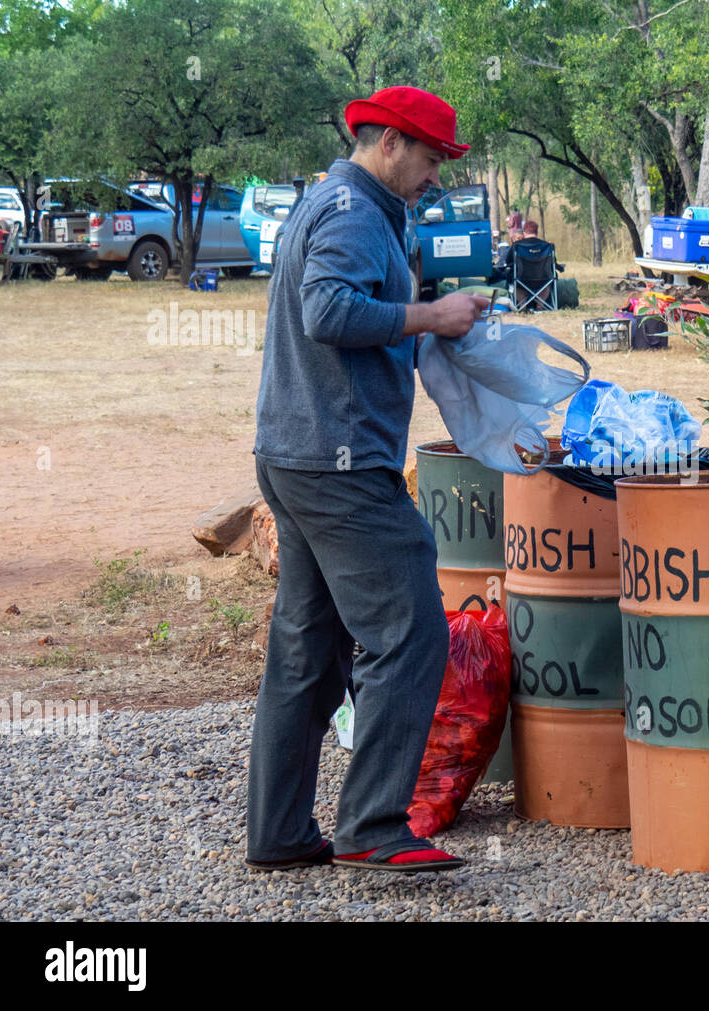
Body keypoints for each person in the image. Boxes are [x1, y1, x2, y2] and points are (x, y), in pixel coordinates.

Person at [247, 86, 490, 873]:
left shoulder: (334, 201)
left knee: (307, 651)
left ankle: (280, 832)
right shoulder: (352, 212)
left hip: (294, 454)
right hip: (341, 463)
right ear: (388, 143)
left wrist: (423, 320)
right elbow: (329, 312)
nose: (432, 176)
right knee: (411, 630)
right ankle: (374, 824)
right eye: (428, 159)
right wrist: (431, 317)